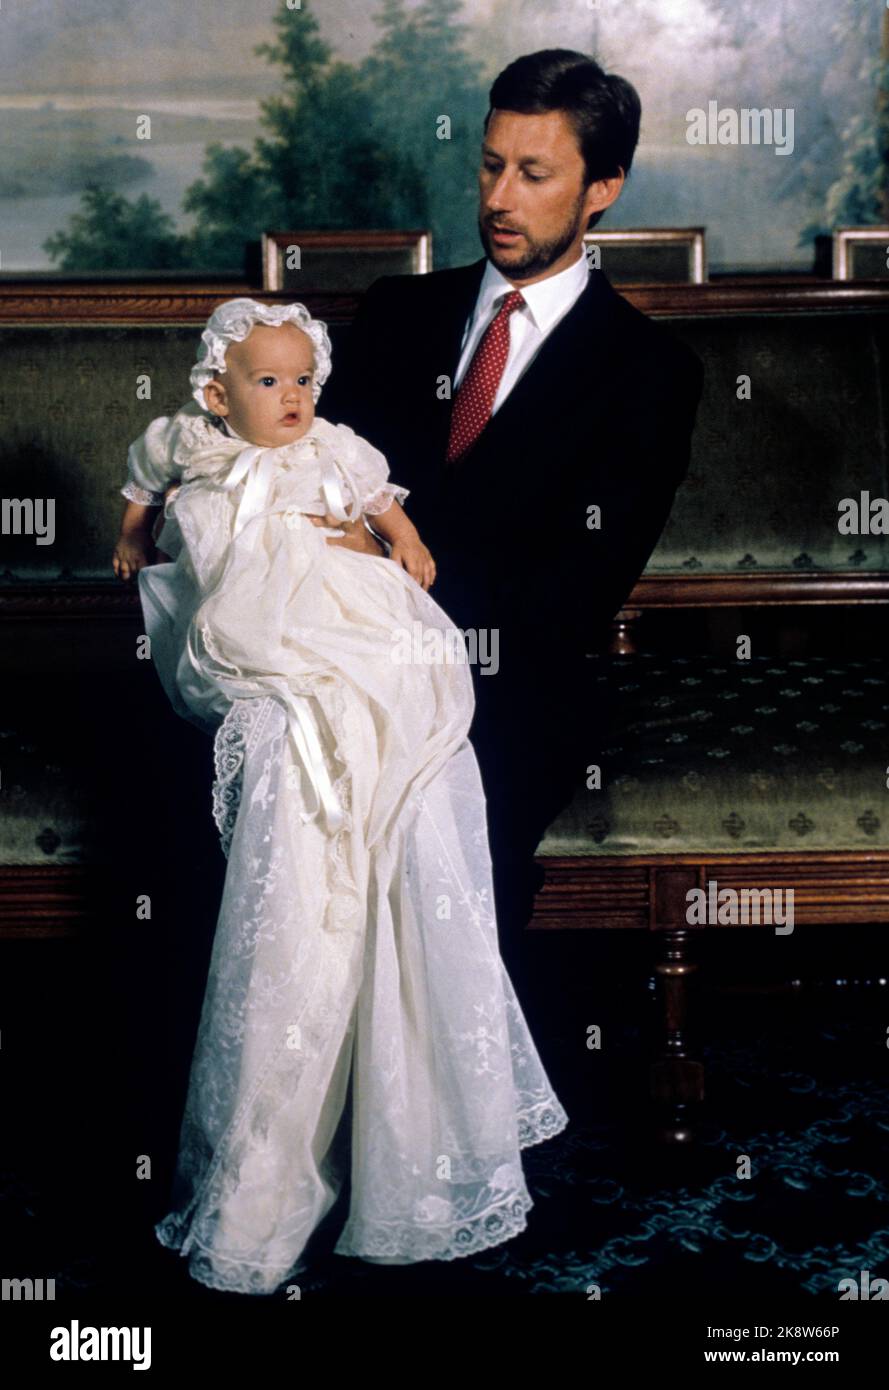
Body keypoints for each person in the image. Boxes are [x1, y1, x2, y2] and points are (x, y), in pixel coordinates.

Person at [111, 297, 568, 1295]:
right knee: (290, 704)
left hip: (343, 593)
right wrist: (135, 535)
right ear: (216, 390)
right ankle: (268, 1159)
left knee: (398, 689)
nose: (290, 398)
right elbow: (140, 486)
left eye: (302, 381)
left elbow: (384, 498)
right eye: (268, 382)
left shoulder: (335, 447)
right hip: (247, 611)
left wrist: (400, 541)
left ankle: (414, 1136)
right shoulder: (188, 441)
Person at [320, 49, 706, 993]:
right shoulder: (394, 315)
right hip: (335, 650)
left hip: (509, 679)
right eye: (490, 164)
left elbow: (572, 591)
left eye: (534, 175)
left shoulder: (649, 372)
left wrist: (403, 579)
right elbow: (315, 497)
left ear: (601, 189)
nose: (499, 196)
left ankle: (450, 1118)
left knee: (451, 821)